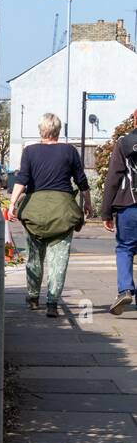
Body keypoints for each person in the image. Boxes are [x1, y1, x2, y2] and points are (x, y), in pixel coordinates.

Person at [9, 113, 90, 318]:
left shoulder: (29, 151)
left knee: (34, 257)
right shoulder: (69, 151)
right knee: (59, 260)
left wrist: (12, 204)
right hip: (63, 210)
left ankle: (34, 298)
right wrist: (87, 203)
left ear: (40, 130)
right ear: (58, 130)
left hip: (34, 210)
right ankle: (53, 302)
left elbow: (22, 179)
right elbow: (81, 180)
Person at [100, 111, 137, 315]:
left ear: (134, 120)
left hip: (130, 204)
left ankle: (125, 289)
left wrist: (106, 212)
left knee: (125, 248)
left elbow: (113, 178)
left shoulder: (124, 143)